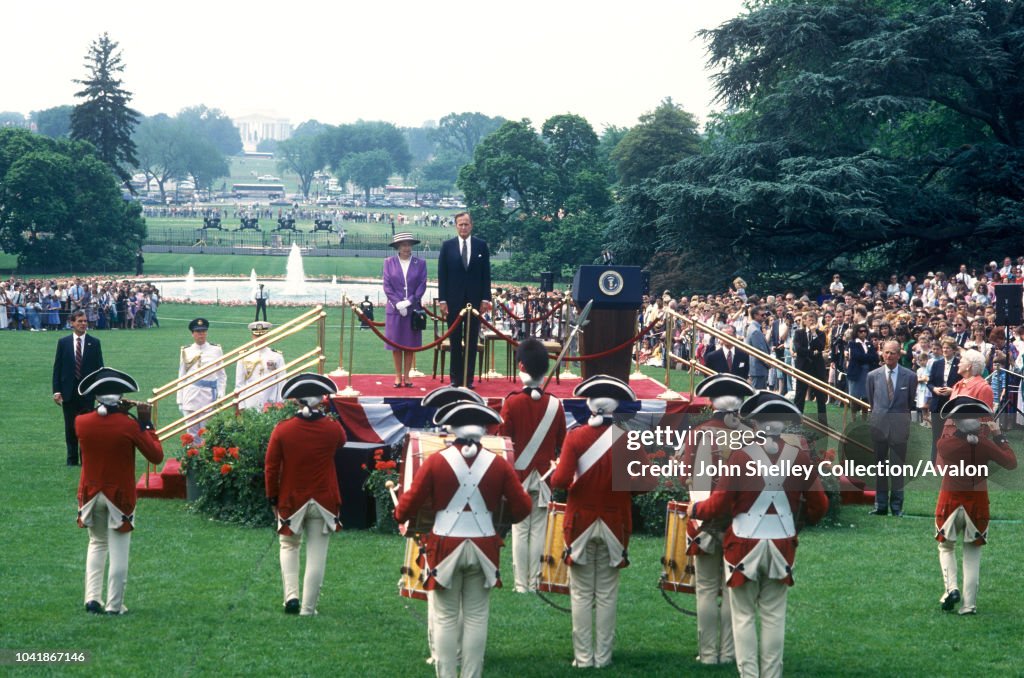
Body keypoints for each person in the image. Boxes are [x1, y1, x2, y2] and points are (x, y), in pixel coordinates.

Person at [689, 392, 828, 678]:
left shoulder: (740, 456)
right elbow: (820, 505)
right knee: (774, 617)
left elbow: (718, 505)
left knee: (743, 617)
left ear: (756, 423)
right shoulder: (800, 457)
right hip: (782, 545)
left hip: (743, 545)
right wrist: (800, 521)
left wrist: (695, 509)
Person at [395, 402, 531, 678]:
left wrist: (400, 514)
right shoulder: (498, 464)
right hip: (484, 547)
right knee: (476, 617)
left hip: (445, 547)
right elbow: (522, 508)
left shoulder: (436, 461)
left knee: (445, 618)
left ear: (452, 429)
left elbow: (406, 508)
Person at [551, 375, 654, 669]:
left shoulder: (576, 437)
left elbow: (559, 481)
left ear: (590, 404)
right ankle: (603, 657)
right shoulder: (628, 439)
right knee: (607, 594)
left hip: (580, 523)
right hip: (615, 523)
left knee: (582, 594)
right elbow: (647, 482)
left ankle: (584, 658)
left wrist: (563, 473)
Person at [680, 373, 756, 666]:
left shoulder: (698, 433)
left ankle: (708, 653)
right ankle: (729, 652)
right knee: (733, 588)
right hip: (743, 522)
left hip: (704, 519)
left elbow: (685, 476)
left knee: (706, 589)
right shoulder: (752, 435)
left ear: (712, 402)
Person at [75, 368, 164, 614]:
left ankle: (92, 599)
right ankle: (114, 605)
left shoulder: (81, 422)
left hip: (90, 494)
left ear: (97, 397)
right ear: (120, 397)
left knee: (96, 543)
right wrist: (146, 423)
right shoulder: (130, 426)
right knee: (119, 551)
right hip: (119, 497)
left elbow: (102, 423)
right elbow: (156, 456)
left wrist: (119, 413)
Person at [265, 373, 346, 616]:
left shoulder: (283, 430)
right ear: (320, 400)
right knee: (316, 554)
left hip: (291, 498)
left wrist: (272, 497)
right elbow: (341, 441)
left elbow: (271, 468)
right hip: (324, 500)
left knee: (288, 546)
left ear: (297, 401)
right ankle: (308, 608)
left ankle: (291, 596)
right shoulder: (332, 429)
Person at [934, 397, 1017, 615]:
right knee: (972, 556)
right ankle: (969, 605)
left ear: (956, 423)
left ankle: (951, 588)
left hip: (950, 504)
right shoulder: (985, 445)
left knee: (946, 548)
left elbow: (947, 442)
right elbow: (1011, 462)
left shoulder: (945, 445)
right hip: (977, 506)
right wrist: (998, 435)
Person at [498, 338, 567, 593]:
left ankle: (521, 585)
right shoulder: (555, 404)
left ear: (521, 366)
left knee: (520, 529)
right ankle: (535, 581)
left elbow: (503, 441)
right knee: (539, 530)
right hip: (544, 476)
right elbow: (562, 443)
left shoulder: (512, 402)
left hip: (519, 475)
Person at [437, 212, 492, 388]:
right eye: (460, 224)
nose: (463, 227)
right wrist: (442, 300)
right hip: (453, 300)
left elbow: (486, 274)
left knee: (471, 340)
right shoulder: (447, 246)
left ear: (471, 225)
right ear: (456, 226)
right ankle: (455, 378)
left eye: (466, 224)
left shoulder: (481, 246)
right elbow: (442, 275)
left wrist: (486, 299)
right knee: (454, 339)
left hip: (474, 301)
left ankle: (468, 378)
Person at [866, 340, 916, 516]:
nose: (889, 356)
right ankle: (880, 505)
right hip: (879, 426)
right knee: (880, 467)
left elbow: (909, 402)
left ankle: (896, 507)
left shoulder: (910, 376)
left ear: (899, 354)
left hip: (899, 427)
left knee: (897, 467)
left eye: (892, 353)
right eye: (886, 352)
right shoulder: (873, 376)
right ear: (882, 353)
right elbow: (872, 401)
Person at [53, 309, 105, 465]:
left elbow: (100, 369)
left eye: (85, 321)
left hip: (87, 393)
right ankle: (71, 459)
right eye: (80, 321)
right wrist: (56, 391)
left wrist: (99, 391)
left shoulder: (94, 343)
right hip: (68, 392)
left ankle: (86, 459)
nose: (83, 324)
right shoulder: (63, 343)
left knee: (87, 428)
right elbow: (58, 368)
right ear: (72, 323)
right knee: (70, 427)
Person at [383, 232, 428, 387]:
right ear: (397, 247)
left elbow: (422, 285)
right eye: (403, 245)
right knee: (396, 344)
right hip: (394, 310)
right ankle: (397, 376)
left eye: (409, 245)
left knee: (410, 344)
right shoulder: (389, 262)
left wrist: (409, 302)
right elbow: (387, 286)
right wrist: (397, 303)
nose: (406, 248)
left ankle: (407, 376)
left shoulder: (420, 263)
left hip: (413, 309)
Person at [177, 318, 227, 439]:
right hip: (191, 394)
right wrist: (180, 400)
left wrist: (221, 393)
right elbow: (181, 376)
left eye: (204, 331)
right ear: (193, 334)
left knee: (207, 433)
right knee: (191, 433)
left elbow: (221, 375)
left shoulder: (216, 350)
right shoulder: (186, 350)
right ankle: (192, 451)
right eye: (198, 332)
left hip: (208, 396)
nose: (201, 334)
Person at [235, 321, 284, 411]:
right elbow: (240, 383)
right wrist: (241, 406)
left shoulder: (277, 356)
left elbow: (282, 381)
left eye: (262, 336)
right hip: (250, 403)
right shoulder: (244, 356)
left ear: (267, 336)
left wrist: (280, 403)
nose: (260, 339)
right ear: (252, 336)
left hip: (271, 402)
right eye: (257, 336)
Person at [792, 311, 829, 427]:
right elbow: (798, 349)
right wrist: (812, 352)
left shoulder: (820, 334)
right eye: (809, 319)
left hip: (817, 368)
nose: (811, 321)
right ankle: (796, 421)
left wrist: (813, 333)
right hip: (803, 367)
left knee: (820, 396)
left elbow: (820, 347)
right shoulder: (799, 333)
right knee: (800, 395)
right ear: (804, 321)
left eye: (813, 319)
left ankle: (823, 423)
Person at [746, 307, 771, 389]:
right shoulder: (755, 330)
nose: (765, 316)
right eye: (762, 315)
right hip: (758, 368)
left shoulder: (754, 328)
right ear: (755, 315)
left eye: (765, 314)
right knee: (758, 392)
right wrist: (768, 363)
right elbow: (759, 351)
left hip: (758, 368)